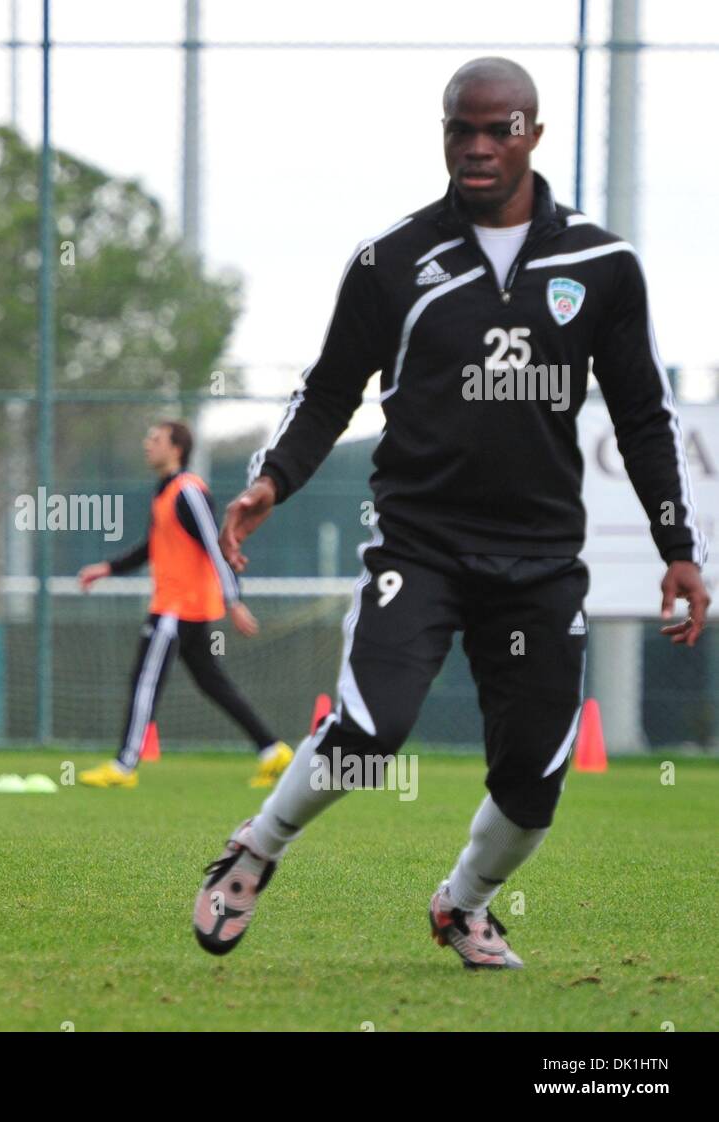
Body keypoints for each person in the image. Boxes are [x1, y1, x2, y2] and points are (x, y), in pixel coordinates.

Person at [193, 58, 709, 968]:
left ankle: (463, 904)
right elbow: (326, 394)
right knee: (370, 731)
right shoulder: (390, 260)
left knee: (534, 781)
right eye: (459, 130)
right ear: (443, 134)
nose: (477, 148)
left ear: (533, 135)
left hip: (543, 560)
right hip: (419, 546)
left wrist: (679, 546)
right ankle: (256, 849)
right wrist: (273, 479)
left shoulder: (602, 264)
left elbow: (643, 416)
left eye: (497, 129)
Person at [78, 421, 293, 789]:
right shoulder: (165, 493)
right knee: (212, 682)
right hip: (185, 607)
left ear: (176, 448)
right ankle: (273, 752)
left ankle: (124, 766)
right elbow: (153, 546)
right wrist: (108, 568)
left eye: (155, 438)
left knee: (144, 681)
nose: (147, 444)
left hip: (177, 608)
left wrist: (234, 600)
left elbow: (216, 545)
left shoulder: (188, 491)